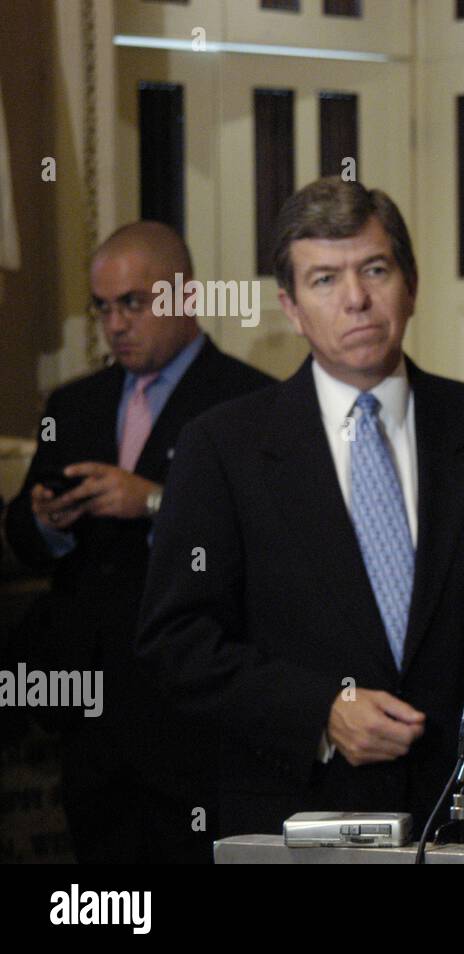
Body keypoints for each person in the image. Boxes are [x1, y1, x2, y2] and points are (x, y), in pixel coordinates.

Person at [135, 179, 464, 845]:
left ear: (411, 285)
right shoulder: (221, 447)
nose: (355, 299)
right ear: (292, 308)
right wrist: (320, 713)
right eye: (325, 279)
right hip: (299, 813)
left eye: (375, 270)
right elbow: (176, 643)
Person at [5, 221, 273, 862]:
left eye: (134, 302)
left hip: (191, 712)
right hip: (90, 710)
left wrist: (151, 499)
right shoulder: (72, 405)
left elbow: (265, 542)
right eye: (102, 307)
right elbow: (21, 531)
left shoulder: (248, 399)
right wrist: (46, 520)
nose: (116, 323)